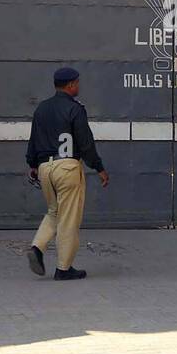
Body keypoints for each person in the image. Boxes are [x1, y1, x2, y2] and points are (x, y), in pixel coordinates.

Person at [25, 67, 108, 280]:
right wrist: (98, 167)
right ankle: (64, 268)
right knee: (69, 218)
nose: (79, 86)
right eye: (77, 83)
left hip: (45, 168)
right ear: (71, 84)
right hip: (67, 167)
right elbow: (85, 142)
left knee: (54, 211)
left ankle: (37, 247)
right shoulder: (75, 109)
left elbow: (33, 139)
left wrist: (33, 165)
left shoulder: (41, 109)